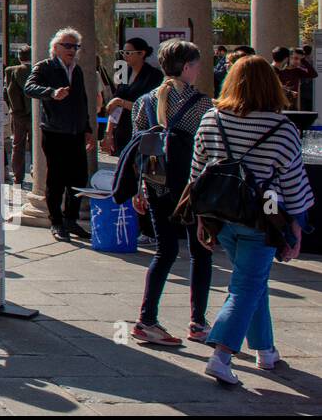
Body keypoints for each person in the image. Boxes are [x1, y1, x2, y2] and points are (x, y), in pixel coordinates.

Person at [191, 54, 316, 386]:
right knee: (247, 285)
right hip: (264, 214)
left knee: (251, 281)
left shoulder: (211, 119)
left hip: (221, 213)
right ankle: (220, 353)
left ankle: (265, 349)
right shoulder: (282, 128)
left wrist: (202, 219)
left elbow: (198, 174)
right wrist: (296, 226)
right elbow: (293, 184)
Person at [120, 39, 214, 346]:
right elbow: (208, 150)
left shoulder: (146, 100)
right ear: (187, 67)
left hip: (155, 185)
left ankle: (146, 319)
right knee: (200, 252)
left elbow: (137, 149)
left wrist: (138, 189)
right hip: (190, 188)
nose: (199, 71)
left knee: (165, 252)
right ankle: (198, 322)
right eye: (197, 65)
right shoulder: (201, 103)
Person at [24, 27, 95, 242]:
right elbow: (29, 87)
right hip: (55, 132)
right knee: (56, 180)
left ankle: (71, 220)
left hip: (76, 132)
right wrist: (51, 93)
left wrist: (88, 129)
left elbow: (82, 100)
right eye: (67, 45)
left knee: (79, 178)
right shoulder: (45, 67)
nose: (72, 50)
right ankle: (56, 222)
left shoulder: (77, 70)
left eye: (75, 46)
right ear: (55, 48)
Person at [103, 38, 163, 155]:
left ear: (142, 53)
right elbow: (115, 105)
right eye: (123, 52)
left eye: (128, 53)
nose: (125, 56)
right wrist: (108, 133)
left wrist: (121, 102)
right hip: (121, 130)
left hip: (141, 131)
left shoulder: (154, 76)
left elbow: (150, 106)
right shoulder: (124, 73)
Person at [3, 47, 32, 185]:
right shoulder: (36, 69)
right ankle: (36, 172)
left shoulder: (10, 71)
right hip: (33, 113)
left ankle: (18, 176)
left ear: (20, 57)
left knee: (17, 145)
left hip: (17, 113)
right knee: (36, 145)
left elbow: (6, 92)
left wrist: (12, 108)